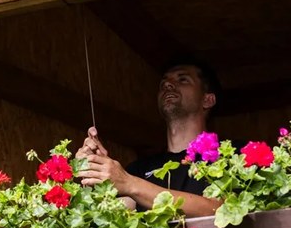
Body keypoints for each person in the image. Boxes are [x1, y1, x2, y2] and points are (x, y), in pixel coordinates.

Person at [76, 59, 224, 217]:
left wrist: (129, 183)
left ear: (207, 100)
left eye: (182, 79)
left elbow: (223, 210)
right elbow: (110, 216)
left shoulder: (229, 155)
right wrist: (93, 174)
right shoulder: (139, 169)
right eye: (163, 83)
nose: (168, 84)